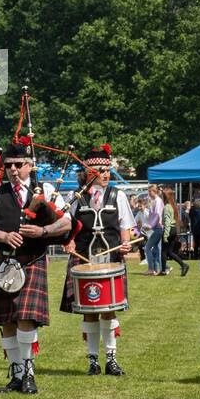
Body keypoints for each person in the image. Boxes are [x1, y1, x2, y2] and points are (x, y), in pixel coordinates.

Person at [0, 137, 71, 395]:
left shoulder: (45, 190)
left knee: (26, 318)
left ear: (28, 165)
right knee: (6, 320)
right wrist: (3, 236)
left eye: (18, 165)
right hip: (2, 261)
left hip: (31, 260)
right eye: (9, 165)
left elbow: (67, 222)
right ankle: (15, 374)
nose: (13, 170)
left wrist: (43, 230)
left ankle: (28, 373)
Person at [60, 145, 135, 376]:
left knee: (110, 310)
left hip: (111, 260)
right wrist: (68, 241)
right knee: (89, 310)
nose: (105, 175)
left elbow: (126, 228)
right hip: (83, 261)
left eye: (107, 170)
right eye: (100, 171)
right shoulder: (76, 198)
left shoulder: (117, 195)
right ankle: (93, 360)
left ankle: (111, 359)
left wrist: (126, 245)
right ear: (89, 172)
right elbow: (67, 227)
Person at [144, 185, 165, 275]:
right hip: (155, 227)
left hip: (158, 227)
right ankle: (158, 269)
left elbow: (157, 215)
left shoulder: (158, 201)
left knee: (147, 247)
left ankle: (151, 269)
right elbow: (151, 214)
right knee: (156, 249)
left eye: (150, 192)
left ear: (154, 191)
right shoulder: (153, 201)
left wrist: (150, 225)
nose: (149, 193)